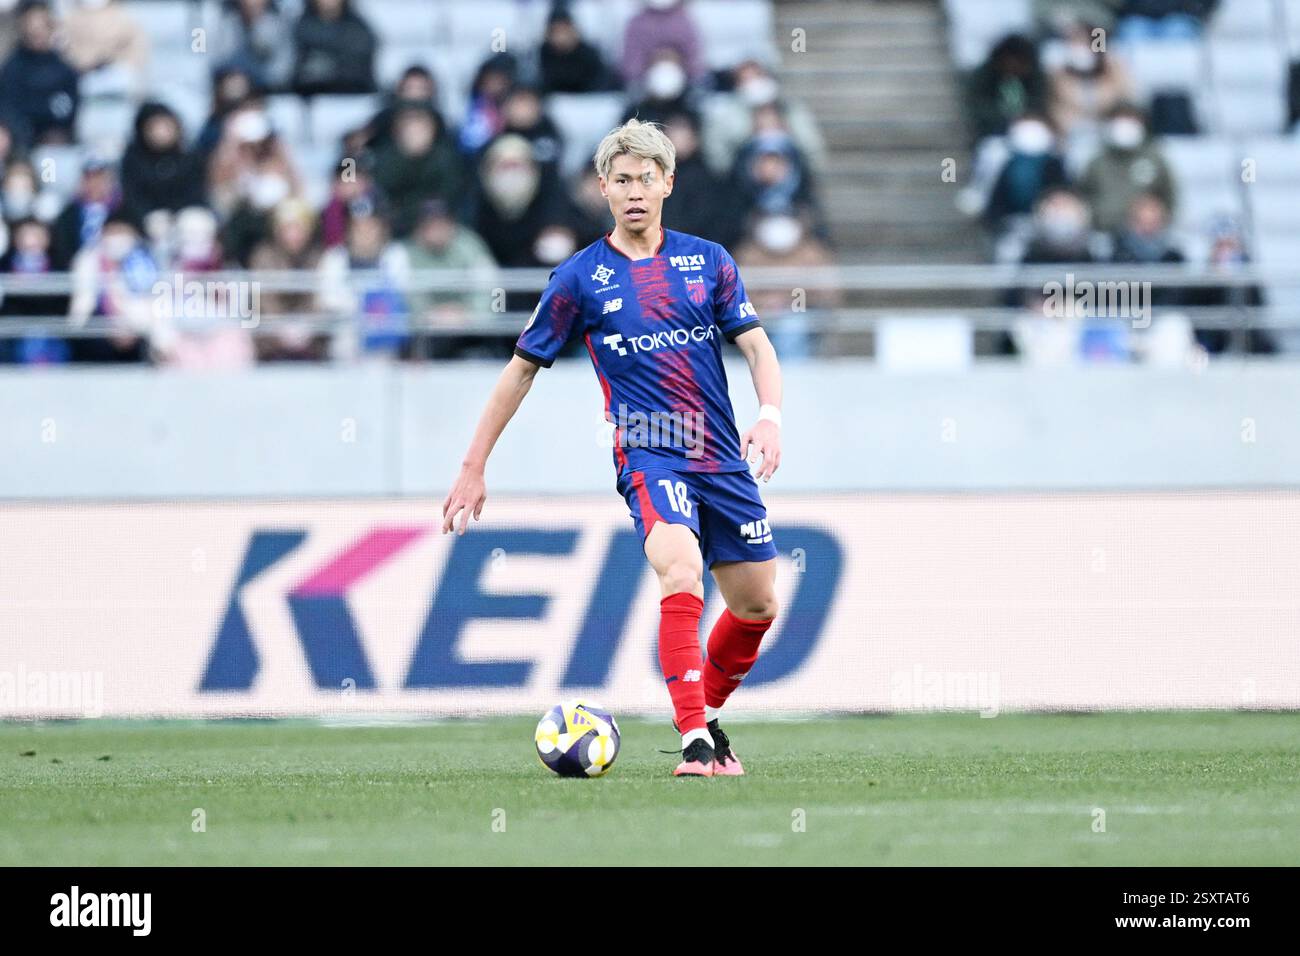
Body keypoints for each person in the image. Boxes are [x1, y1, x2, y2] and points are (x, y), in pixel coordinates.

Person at [442, 119, 783, 778]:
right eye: (621, 180)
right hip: (648, 448)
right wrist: (473, 465)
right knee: (679, 569)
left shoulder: (707, 261)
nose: (634, 191)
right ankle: (694, 742)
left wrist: (769, 417)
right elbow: (520, 370)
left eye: (646, 178)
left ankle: (704, 712)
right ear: (603, 188)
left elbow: (757, 346)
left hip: (721, 454)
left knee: (756, 604)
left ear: (667, 183)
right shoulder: (578, 279)